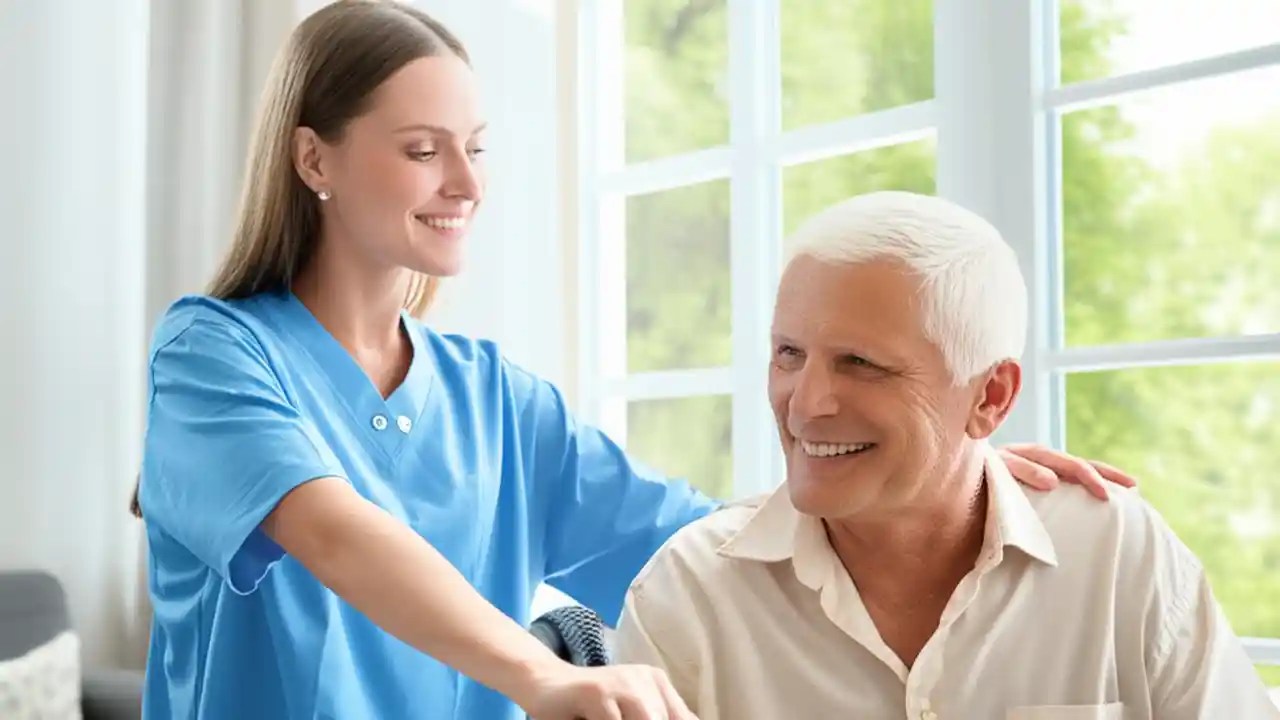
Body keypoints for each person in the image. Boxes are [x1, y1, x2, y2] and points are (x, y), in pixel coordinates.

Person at [132, 3, 1137, 719]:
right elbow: (340, 536)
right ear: (315, 160)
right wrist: (540, 676)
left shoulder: (494, 397)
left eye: (476, 147)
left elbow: (703, 541)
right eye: (422, 148)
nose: (465, 182)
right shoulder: (212, 354)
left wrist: (932, 478)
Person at [612, 191, 1277, 719]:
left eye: (860, 364)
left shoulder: (1113, 553)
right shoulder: (689, 598)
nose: (805, 402)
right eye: (789, 353)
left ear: (990, 396)